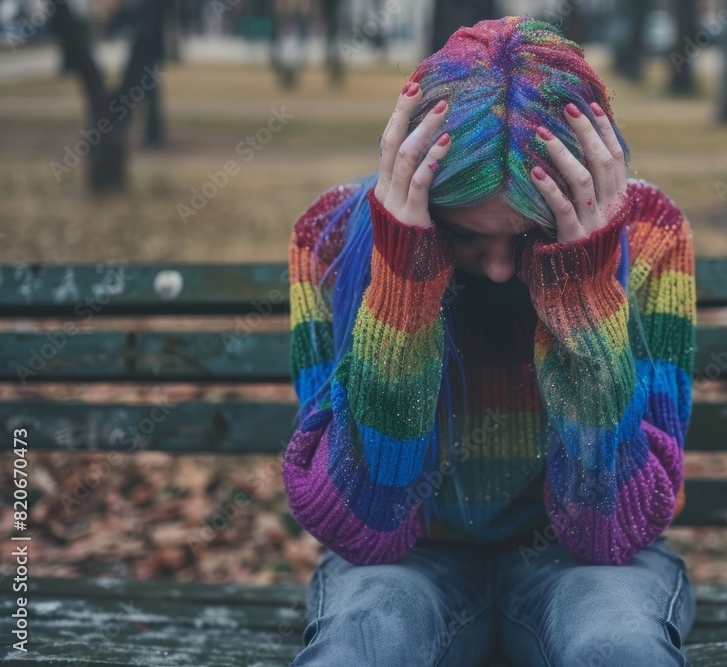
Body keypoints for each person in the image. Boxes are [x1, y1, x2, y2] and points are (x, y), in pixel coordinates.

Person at [282, 16, 697, 667]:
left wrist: (583, 291)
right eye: (467, 235)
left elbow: (611, 528)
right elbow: (361, 524)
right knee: (360, 648)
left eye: (528, 236)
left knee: (617, 647)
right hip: (413, 557)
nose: (501, 268)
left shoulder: (650, 235)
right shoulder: (331, 242)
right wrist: (403, 282)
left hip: (579, 561)